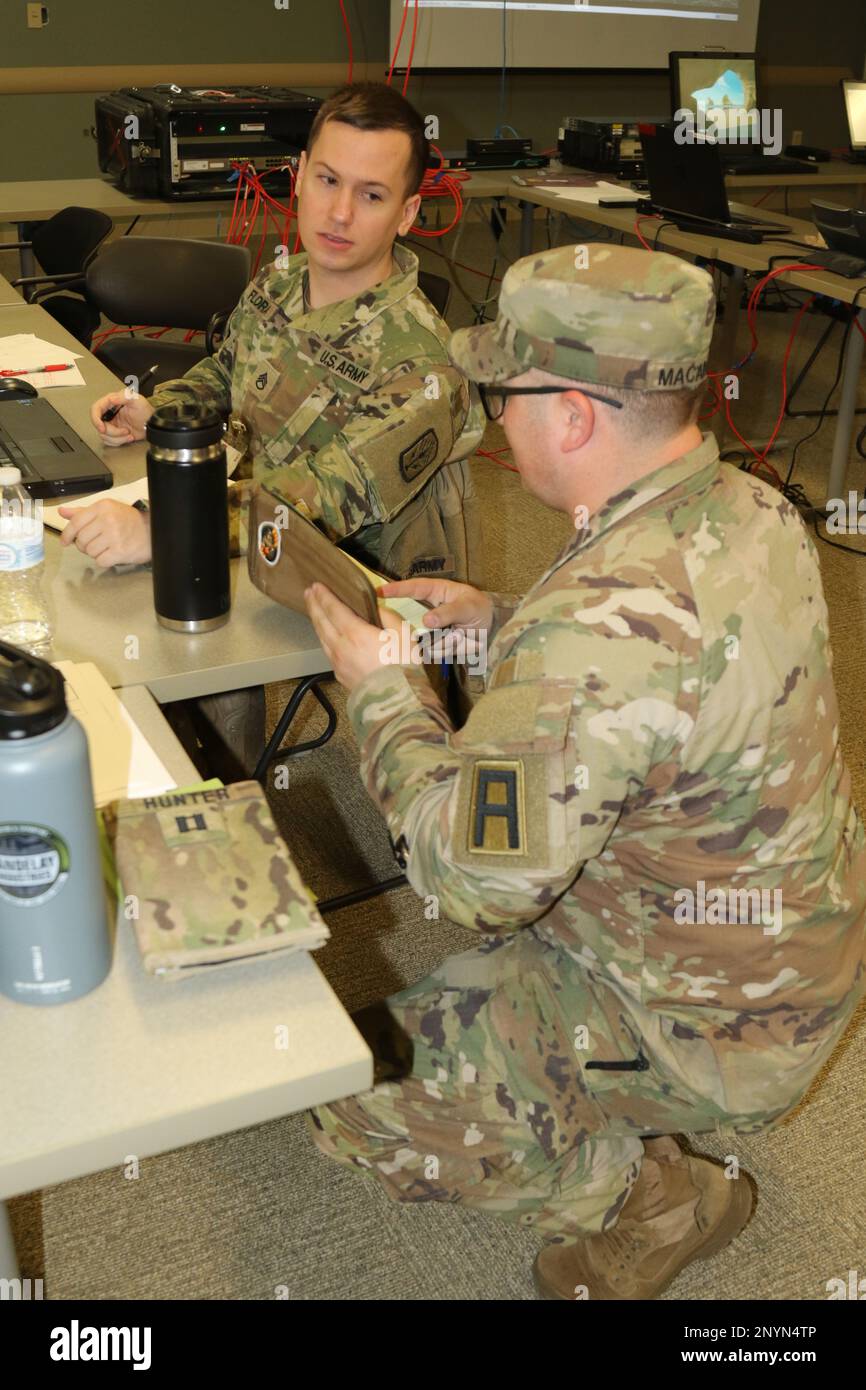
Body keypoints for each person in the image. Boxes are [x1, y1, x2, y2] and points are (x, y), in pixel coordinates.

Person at [300, 243, 866, 1300]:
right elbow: (660, 684)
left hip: (708, 1021)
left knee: (358, 1096)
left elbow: (466, 879)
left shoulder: (596, 633)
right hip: (790, 951)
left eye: (501, 394)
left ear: (570, 415)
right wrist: (497, 626)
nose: (489, 418)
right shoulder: (748, 507)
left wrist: (383, 690)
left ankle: (649, 1193)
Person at [60, 82, 484, 773]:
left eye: (371, 195)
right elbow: (226, 372)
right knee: (143, 605)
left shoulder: (423, 365)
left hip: (368, 582)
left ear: (408, 214)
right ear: (301, 176)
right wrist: (161, 408)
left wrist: (164, 523)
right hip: (257, 530)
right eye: (327, 180)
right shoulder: (282, 283)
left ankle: (229, 796)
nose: (339, 212)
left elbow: (317, 504)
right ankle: (198, 774)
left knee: (179, 592)